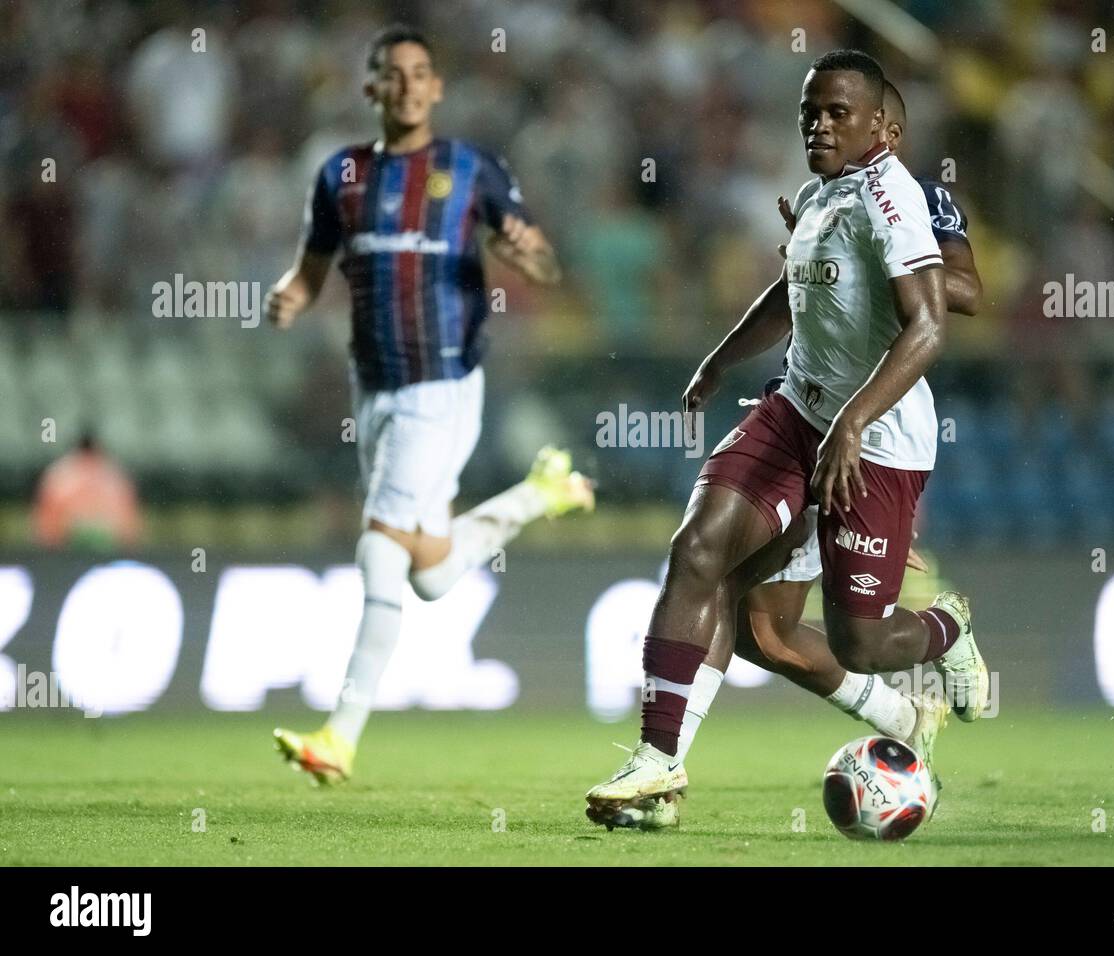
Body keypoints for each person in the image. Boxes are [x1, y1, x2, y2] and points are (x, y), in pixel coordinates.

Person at [585, 51, 989, 825]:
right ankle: (657, 770)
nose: (819, 123)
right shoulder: (819, 193)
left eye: (839, 112)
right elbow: (787, 293)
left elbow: (935, 321)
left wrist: (856, 420)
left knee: (859, 640)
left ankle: (945, 629)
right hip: (796, 410)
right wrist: (719, 356)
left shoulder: (895, 197)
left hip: (872, 439)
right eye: (811, 109)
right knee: (701, 553)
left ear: (882, 126)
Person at [264, 25, 593, 784]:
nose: (408, 86)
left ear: (436, 88)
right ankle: (538, 494)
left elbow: (542, 255)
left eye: (420, 74)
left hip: (440, 385)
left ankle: (340, 736)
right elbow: (312, 268)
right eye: (392, 74)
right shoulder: (340, 175)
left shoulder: (470, 168)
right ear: (371, 87)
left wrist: (523, 252)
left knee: (380, 547)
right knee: (432, 572)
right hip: (373, 386)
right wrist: (290, 295)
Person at [31, 432, 141, 552]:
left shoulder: (115, 477)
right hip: (65, 549)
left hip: (109, 549)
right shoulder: (58, 476)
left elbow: (130, 530)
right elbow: (46, 530)